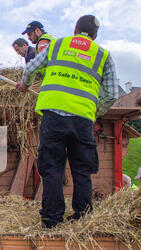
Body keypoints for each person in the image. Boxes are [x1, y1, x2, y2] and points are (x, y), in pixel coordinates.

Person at [16, 15, 119, 228]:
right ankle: (82, 216)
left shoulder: (57, 44)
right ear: (95, 35)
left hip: (54, 117)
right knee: (82, 169)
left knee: (52, 167)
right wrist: (93, 110)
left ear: (75, 29)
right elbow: (111, 94)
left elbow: (30, 68)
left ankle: (52, 219)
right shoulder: (103, 55)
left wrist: (25, 84)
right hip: (82, 121)